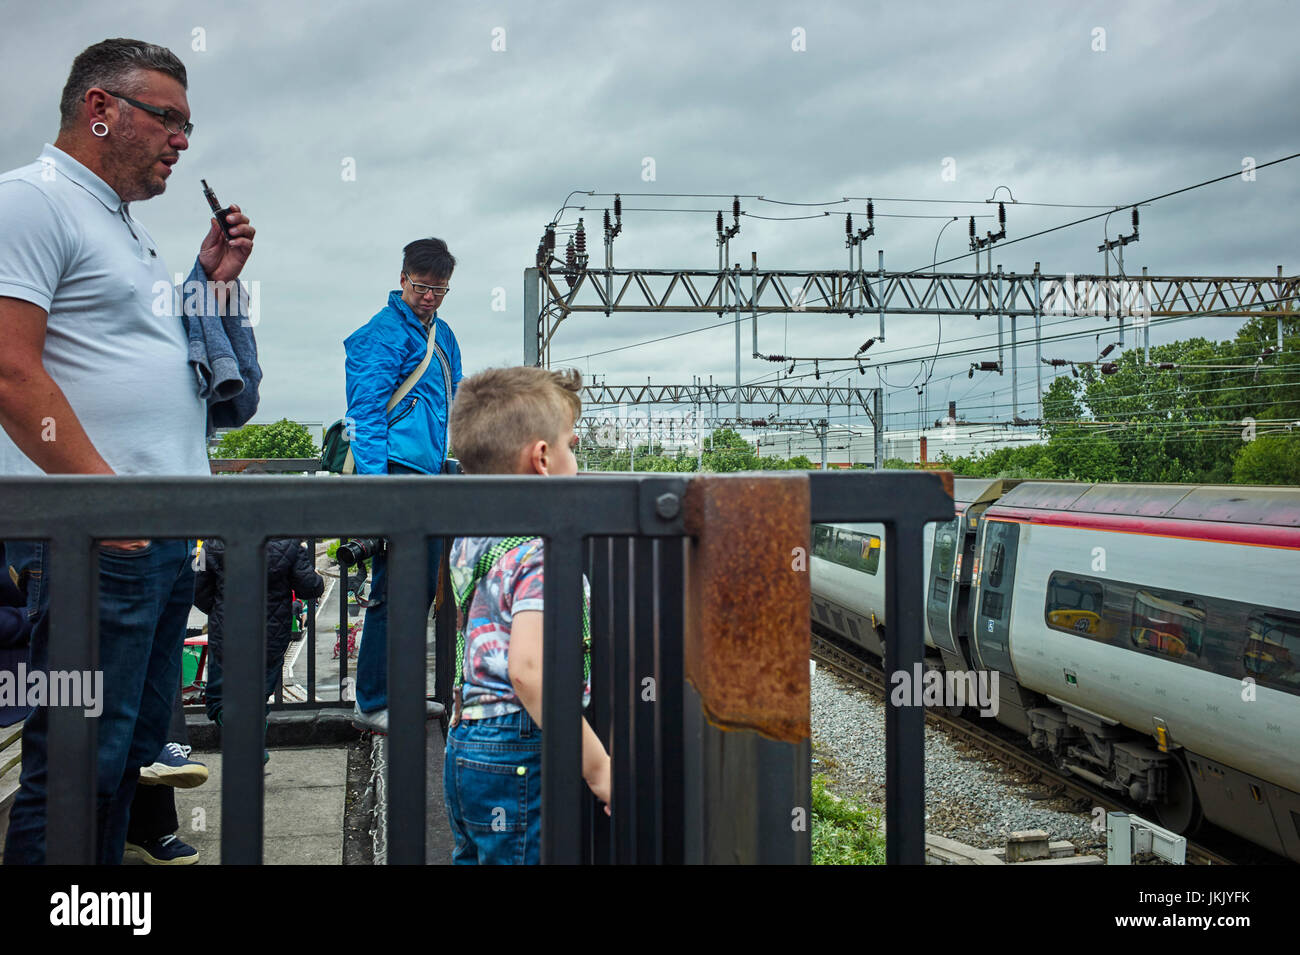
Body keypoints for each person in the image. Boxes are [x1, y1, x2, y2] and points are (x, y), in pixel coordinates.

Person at [0, 38, 257, 864]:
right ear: (100, 110)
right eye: (168, 119)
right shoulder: (30, 202)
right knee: (77, 766)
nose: (183, 141)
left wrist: (209, 278)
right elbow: (8, 367)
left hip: (141, 535)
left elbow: (129, 349)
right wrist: (105, 504)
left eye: (189, 125)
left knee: (118, 766)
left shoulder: (118, 226)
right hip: (94, 537)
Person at [443, 366, 611, 865]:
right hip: (514, 745)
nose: (576, 461)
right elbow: (529, 672)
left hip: (467, 743)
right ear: (542, 458)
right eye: (571, 446)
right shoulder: (537, 551)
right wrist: (600, 769)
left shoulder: (474, 536)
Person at [343, 238, 462, 733]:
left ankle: (403, 694)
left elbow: (455, 402)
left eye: (439, 289)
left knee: (417, 594)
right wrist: (377, 492)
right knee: (392, 594)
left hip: (429, 476)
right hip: (396, 476)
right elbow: (365, 417)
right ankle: (372, 701)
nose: (429, 297)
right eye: (421, 286)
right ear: (402, 279)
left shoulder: (445, 335)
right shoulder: (382, 334)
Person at [193, 538, 326, 737]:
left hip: (227, 630)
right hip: (271, 634)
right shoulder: (290, 544)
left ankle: (233, 728)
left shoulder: (211, 543)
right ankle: (253, 742)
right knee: (258, 694)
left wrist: (217, 611)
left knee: (220, 696)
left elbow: (197, 588)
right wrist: (315, 576)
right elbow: (310, 588)